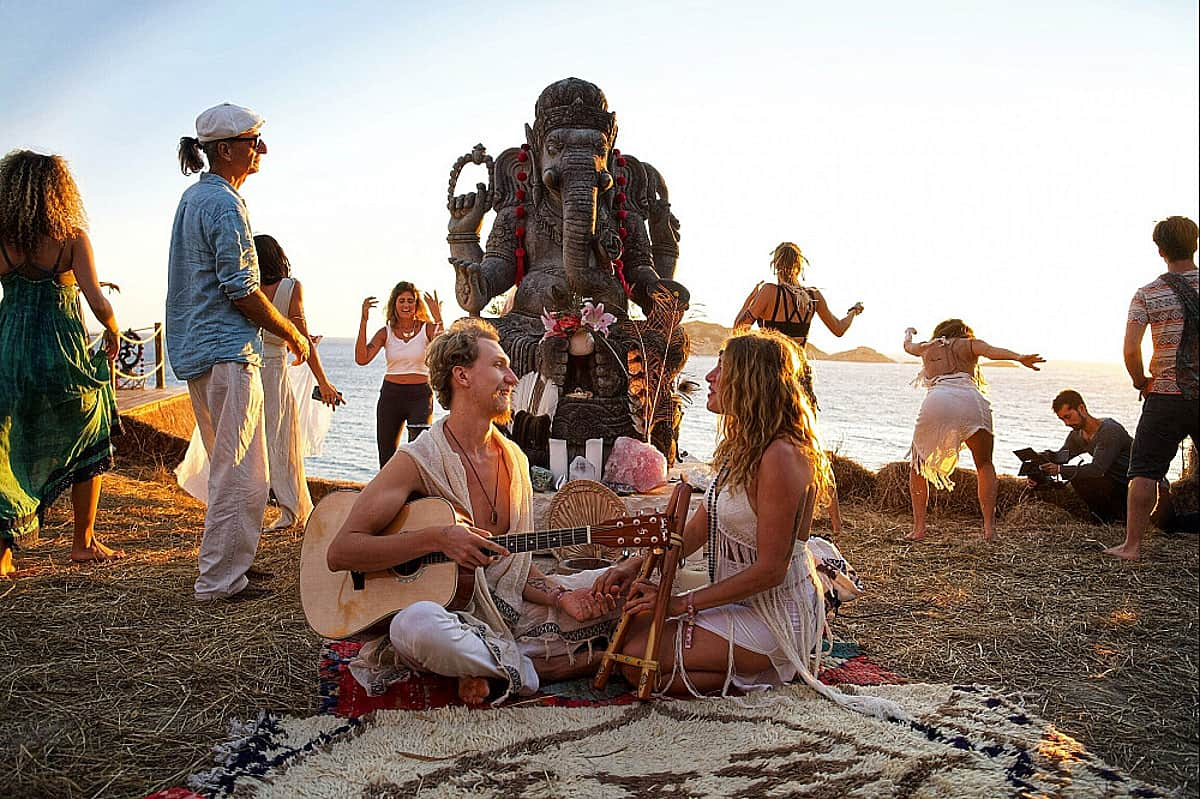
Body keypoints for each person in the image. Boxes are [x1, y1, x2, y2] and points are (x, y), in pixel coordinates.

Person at [593, 330, 897, 716]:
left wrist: (678, 604)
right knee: (632, 629)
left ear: (751, 382)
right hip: (737, 597)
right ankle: (753, 668)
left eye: (722, 368)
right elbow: (697, 530)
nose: (709, 377)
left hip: (774, 611)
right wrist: (631, 565)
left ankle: (775, 665)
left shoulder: (781, 455)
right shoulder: (743, 448)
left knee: (636, 659)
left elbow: (771, 570)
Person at [326, 318, 618, 704]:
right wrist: (438, 538)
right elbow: (341, 551)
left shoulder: (514, 458)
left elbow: (511, 565)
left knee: (617, 589)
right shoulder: (419, 459)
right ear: (461, 376)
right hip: (447, 615)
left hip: (508, 608)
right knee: (414, 627)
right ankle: (541, 667)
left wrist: (562, 597)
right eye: (499, 366)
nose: (512, 378)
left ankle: (486, 664)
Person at [168, 103, 310, 602]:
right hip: (228, 352)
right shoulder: (225, 204)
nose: (261, 150)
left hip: (199, 351)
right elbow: (242, 288)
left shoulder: (194, 198)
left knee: (236, 467)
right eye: (253, 141)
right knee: (245, 473)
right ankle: (220, 581)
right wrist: (291, 333)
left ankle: (233, 565)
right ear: (225, 150)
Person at [0, 150, 123, 577]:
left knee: (7, 445)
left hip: (11, 351)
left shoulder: (2, 239)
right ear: (60, 189)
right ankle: (82, 543)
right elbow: (96, 298)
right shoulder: (71, 237)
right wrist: (113, 328)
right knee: (91, 432)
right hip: (61, 354)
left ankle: (4, 553)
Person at [732, 242, 865, 536]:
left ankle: (759, 511)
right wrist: (853, 312)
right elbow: (839, 330)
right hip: (801, 373)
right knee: (809, 445)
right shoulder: (812, 297)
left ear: (775, 263)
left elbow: (739, 328)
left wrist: (750, 297)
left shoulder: (768, 292)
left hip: (771, 373)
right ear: (800, 265)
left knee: (761, 443)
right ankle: (835, 522)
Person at [1107, 216, 1199, 560]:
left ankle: (1132, 546)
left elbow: (1132, 350)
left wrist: (1140, 382)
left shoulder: (1148, 294)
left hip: (1165, 395)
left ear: (1160, 250)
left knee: (1144, 471)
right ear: (1195, 243)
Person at [903, 319, 1044, 542]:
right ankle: (990, 529)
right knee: (984, 464)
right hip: (971, 401)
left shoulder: (926, 347)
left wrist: (909, 332)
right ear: (963, 332)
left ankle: (919, 529)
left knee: (918, 465)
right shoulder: (968, 344)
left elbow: (907, 346)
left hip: (937, 401)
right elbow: (991, 351)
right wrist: (1018, 357)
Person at [255, 234, 340, 531]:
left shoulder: (247, 289)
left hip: (247, 367)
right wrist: (324, 382)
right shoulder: (290, 288)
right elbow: (301, 339)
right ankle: (291, 509)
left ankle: (248, 503)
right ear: (279, 257)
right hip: (273, 370)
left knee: (250, 441)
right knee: (280, 441)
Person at [355, 281, 443, 467]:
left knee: (421, 457)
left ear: (416, 304)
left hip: (420, 396)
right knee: (386, 458)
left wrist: (438, 317)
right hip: (391, 396)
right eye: (401, 300)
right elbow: (362, 358)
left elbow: (443, 350)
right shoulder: (385, 332)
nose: (406, 305)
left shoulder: (427, 329)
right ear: (394, 304)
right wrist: (364, 320)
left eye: (410, 301)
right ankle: (389, 496)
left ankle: (418, 496)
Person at [1028, 390, 1132, 523]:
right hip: (1111, 483)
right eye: (1062, 419)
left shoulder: (1109, 431)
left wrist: (1060, 469)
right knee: (1078, 477)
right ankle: (1103, 520)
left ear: (1081, 409)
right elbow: (1060, 457)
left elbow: (1097, 469)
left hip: (1130, 485)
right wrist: (1037, 467)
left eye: (1068, 416)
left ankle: (1114, 519)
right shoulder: (1077, 435)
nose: (1066, 423)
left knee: (1080, 475)